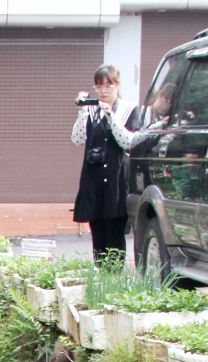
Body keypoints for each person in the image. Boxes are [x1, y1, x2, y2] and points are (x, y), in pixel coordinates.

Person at [71, 64, 136, 262]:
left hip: (116, 181)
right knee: (98, 236)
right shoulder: (90, 110)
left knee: (115, 236)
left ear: (117, 85)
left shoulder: (128, 109)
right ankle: (101, 278)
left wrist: (111, 116)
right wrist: (82, 112)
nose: (104, 91)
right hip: (94, 181)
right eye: (99, 86)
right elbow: (77, 139)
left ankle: (114, 280)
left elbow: (128, 142)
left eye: (109, 86)